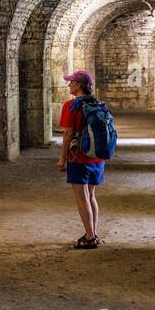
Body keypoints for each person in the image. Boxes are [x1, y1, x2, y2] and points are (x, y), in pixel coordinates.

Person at [56, 69, 105, 249]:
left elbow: (68, 134)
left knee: (81, 197)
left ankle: (90, 237)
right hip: (97, 157)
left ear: (79, 85)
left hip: (78, 158)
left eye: (71, 83)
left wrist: (62, 159)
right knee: (91, 195)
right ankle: (92, 232)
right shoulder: (98, 104)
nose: (69, 85)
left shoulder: (71, 106)